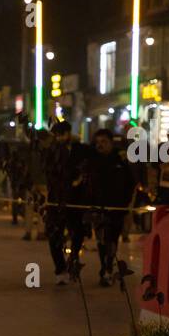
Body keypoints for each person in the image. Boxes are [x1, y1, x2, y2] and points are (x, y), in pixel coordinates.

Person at [82, 128, 136, 287]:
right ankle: (104, 269)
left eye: (104, 142)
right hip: (98, 208)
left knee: (112, 239)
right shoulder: (92, 162)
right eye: (97, 142)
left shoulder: (121, 161)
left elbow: (130, 183)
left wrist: (125, 203)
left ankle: (109, 265)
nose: (100, 145)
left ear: (111, 143)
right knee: (101, 239)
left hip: (117, 208)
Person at [41, 121, 83, 285]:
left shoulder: (78, 149)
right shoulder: (50, 152)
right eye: (55, 135)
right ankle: (60, 269)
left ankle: (72, 261)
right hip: (55, 199)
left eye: (60, 134)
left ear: (67, 133)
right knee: (54, 236)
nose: (57, 138)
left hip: (75, 199)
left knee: (78, 233)